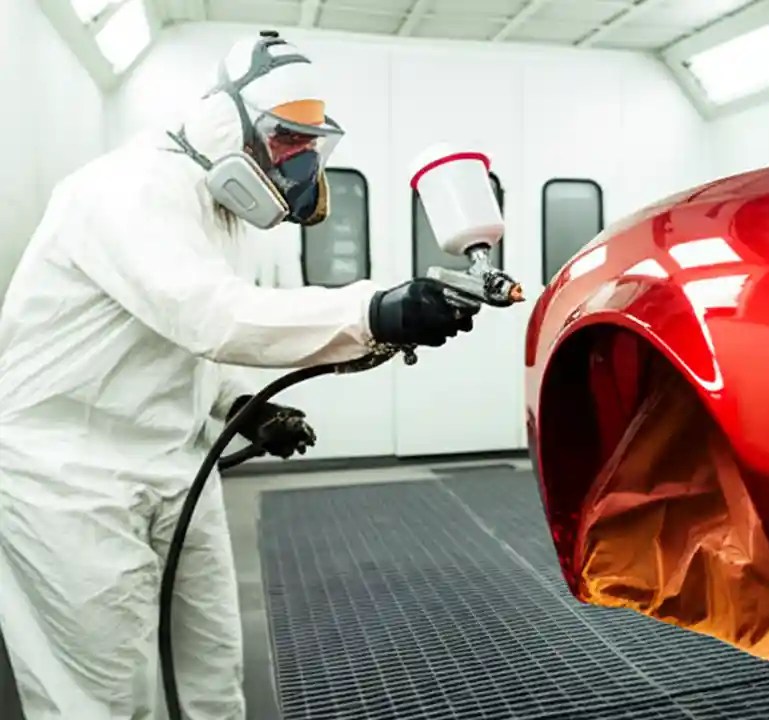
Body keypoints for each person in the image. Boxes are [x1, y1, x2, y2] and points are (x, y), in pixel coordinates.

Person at [0, 31, 476, 719]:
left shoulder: (223, 216)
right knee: (103, 698)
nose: (302, 163)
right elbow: (211, 316)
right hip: (69, 480)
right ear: (227, 123)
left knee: (213, 670)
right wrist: (376, 309)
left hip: (175, 462)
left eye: (312, 145)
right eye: (288, 140)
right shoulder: (127, 188)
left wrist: (240, 405)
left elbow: (175, 344)